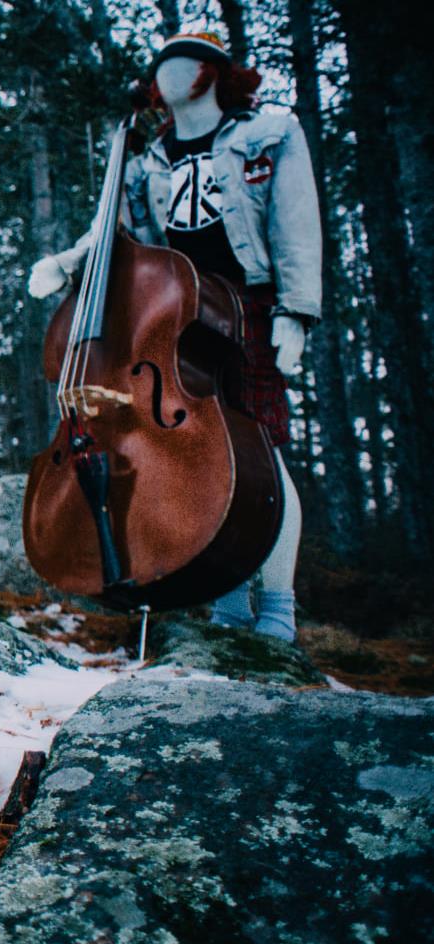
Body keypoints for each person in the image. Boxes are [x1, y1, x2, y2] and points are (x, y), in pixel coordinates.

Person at [29, 32, 319, 640]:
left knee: (262, 448)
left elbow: (294, 221)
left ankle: (279, 607)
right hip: (175, 318)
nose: (165, 71)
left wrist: (297, 309)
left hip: (249, 305)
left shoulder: (267, 135)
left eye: (179, 60)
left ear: (211, 73)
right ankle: (228, 597)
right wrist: (72, 261)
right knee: (198, 456)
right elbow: (120, 236)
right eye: (159, 63)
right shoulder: (147, 160)